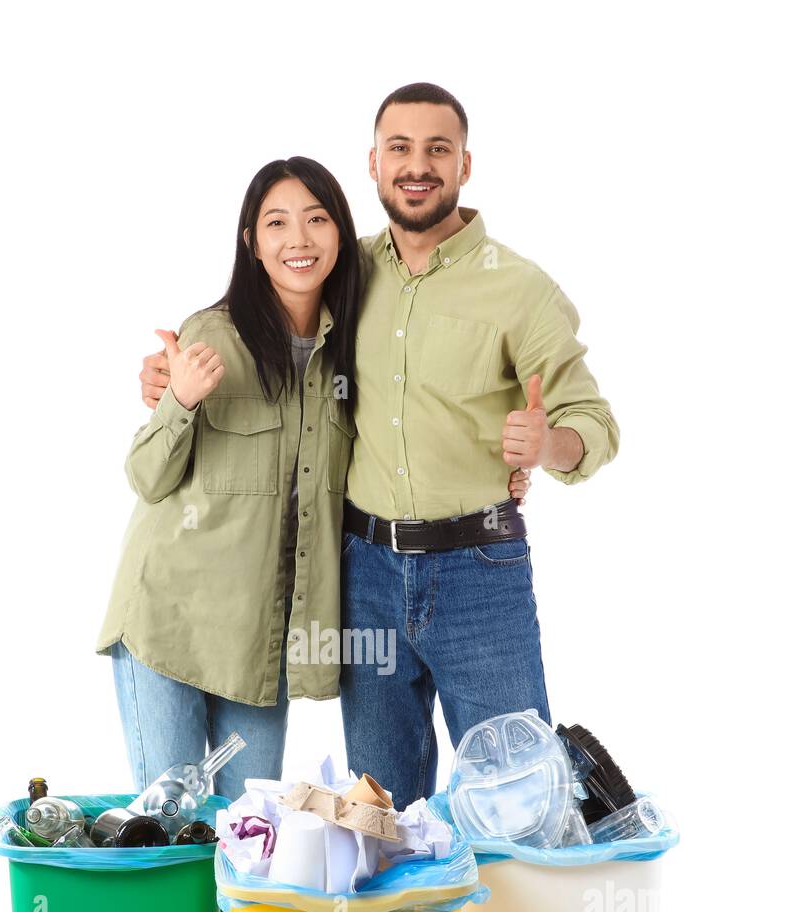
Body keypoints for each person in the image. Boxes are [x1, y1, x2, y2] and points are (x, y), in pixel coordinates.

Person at [139, 85, 614, 811]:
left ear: (464, 164)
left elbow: (594, 421)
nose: (416, 166)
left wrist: (548, 443)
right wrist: (169, 379)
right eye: (400, 148)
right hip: (361, 574)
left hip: (477, 572)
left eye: (436, 150)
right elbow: (263, 322)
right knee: (378, 813)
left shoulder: (519, 289)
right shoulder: (343, 273)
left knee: (519, 801)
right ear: (373, 163)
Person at [96, 157, 362, 912]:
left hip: (260, 645)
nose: (298, 239)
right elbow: (146, 477)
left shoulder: (351, 349)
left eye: (316, 218)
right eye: (276, 221)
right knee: (175, 833)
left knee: (246, 840)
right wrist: (177, 398)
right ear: (251, 240)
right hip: (170, 622)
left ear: (339, 235)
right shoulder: (211, 336)